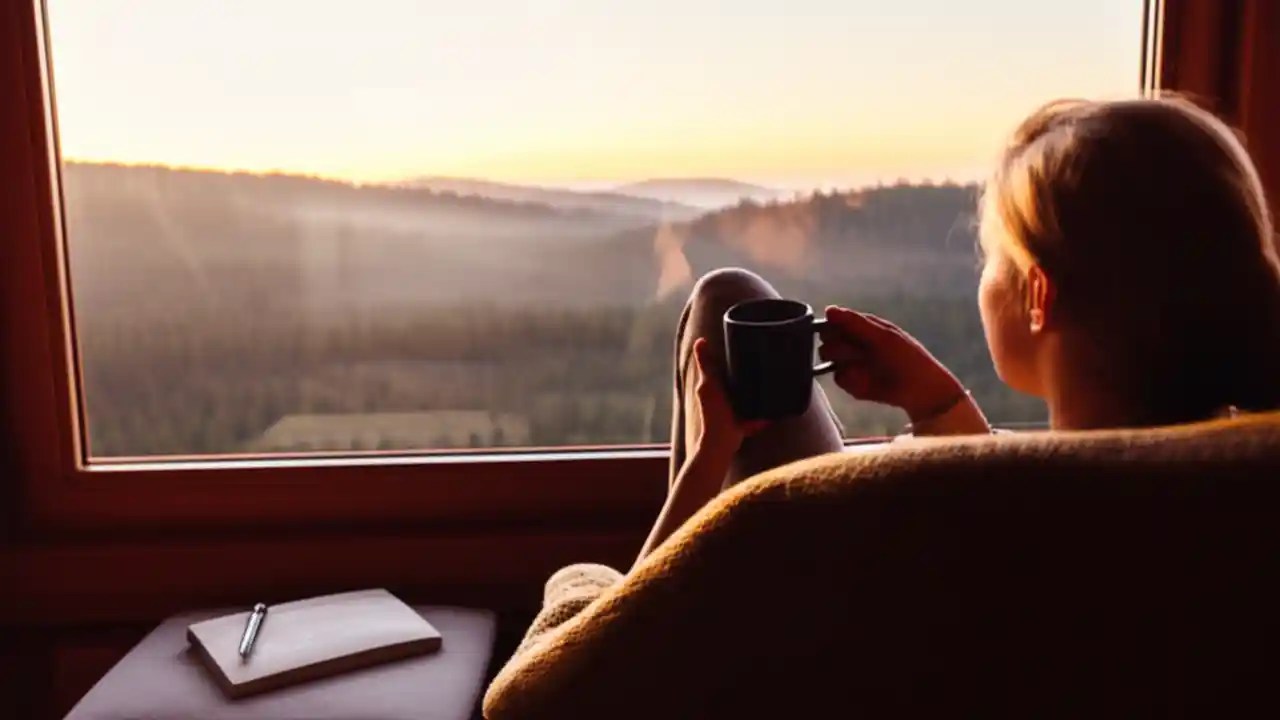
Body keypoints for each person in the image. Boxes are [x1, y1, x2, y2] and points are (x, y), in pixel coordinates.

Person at [638, 96, 1280, 562]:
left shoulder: (951, 513)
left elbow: (607, 654)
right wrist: (941, 408)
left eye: (992, 254)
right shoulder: (1234, 499)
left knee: (727, 297)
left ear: (1038, 296)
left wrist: (706, 463)